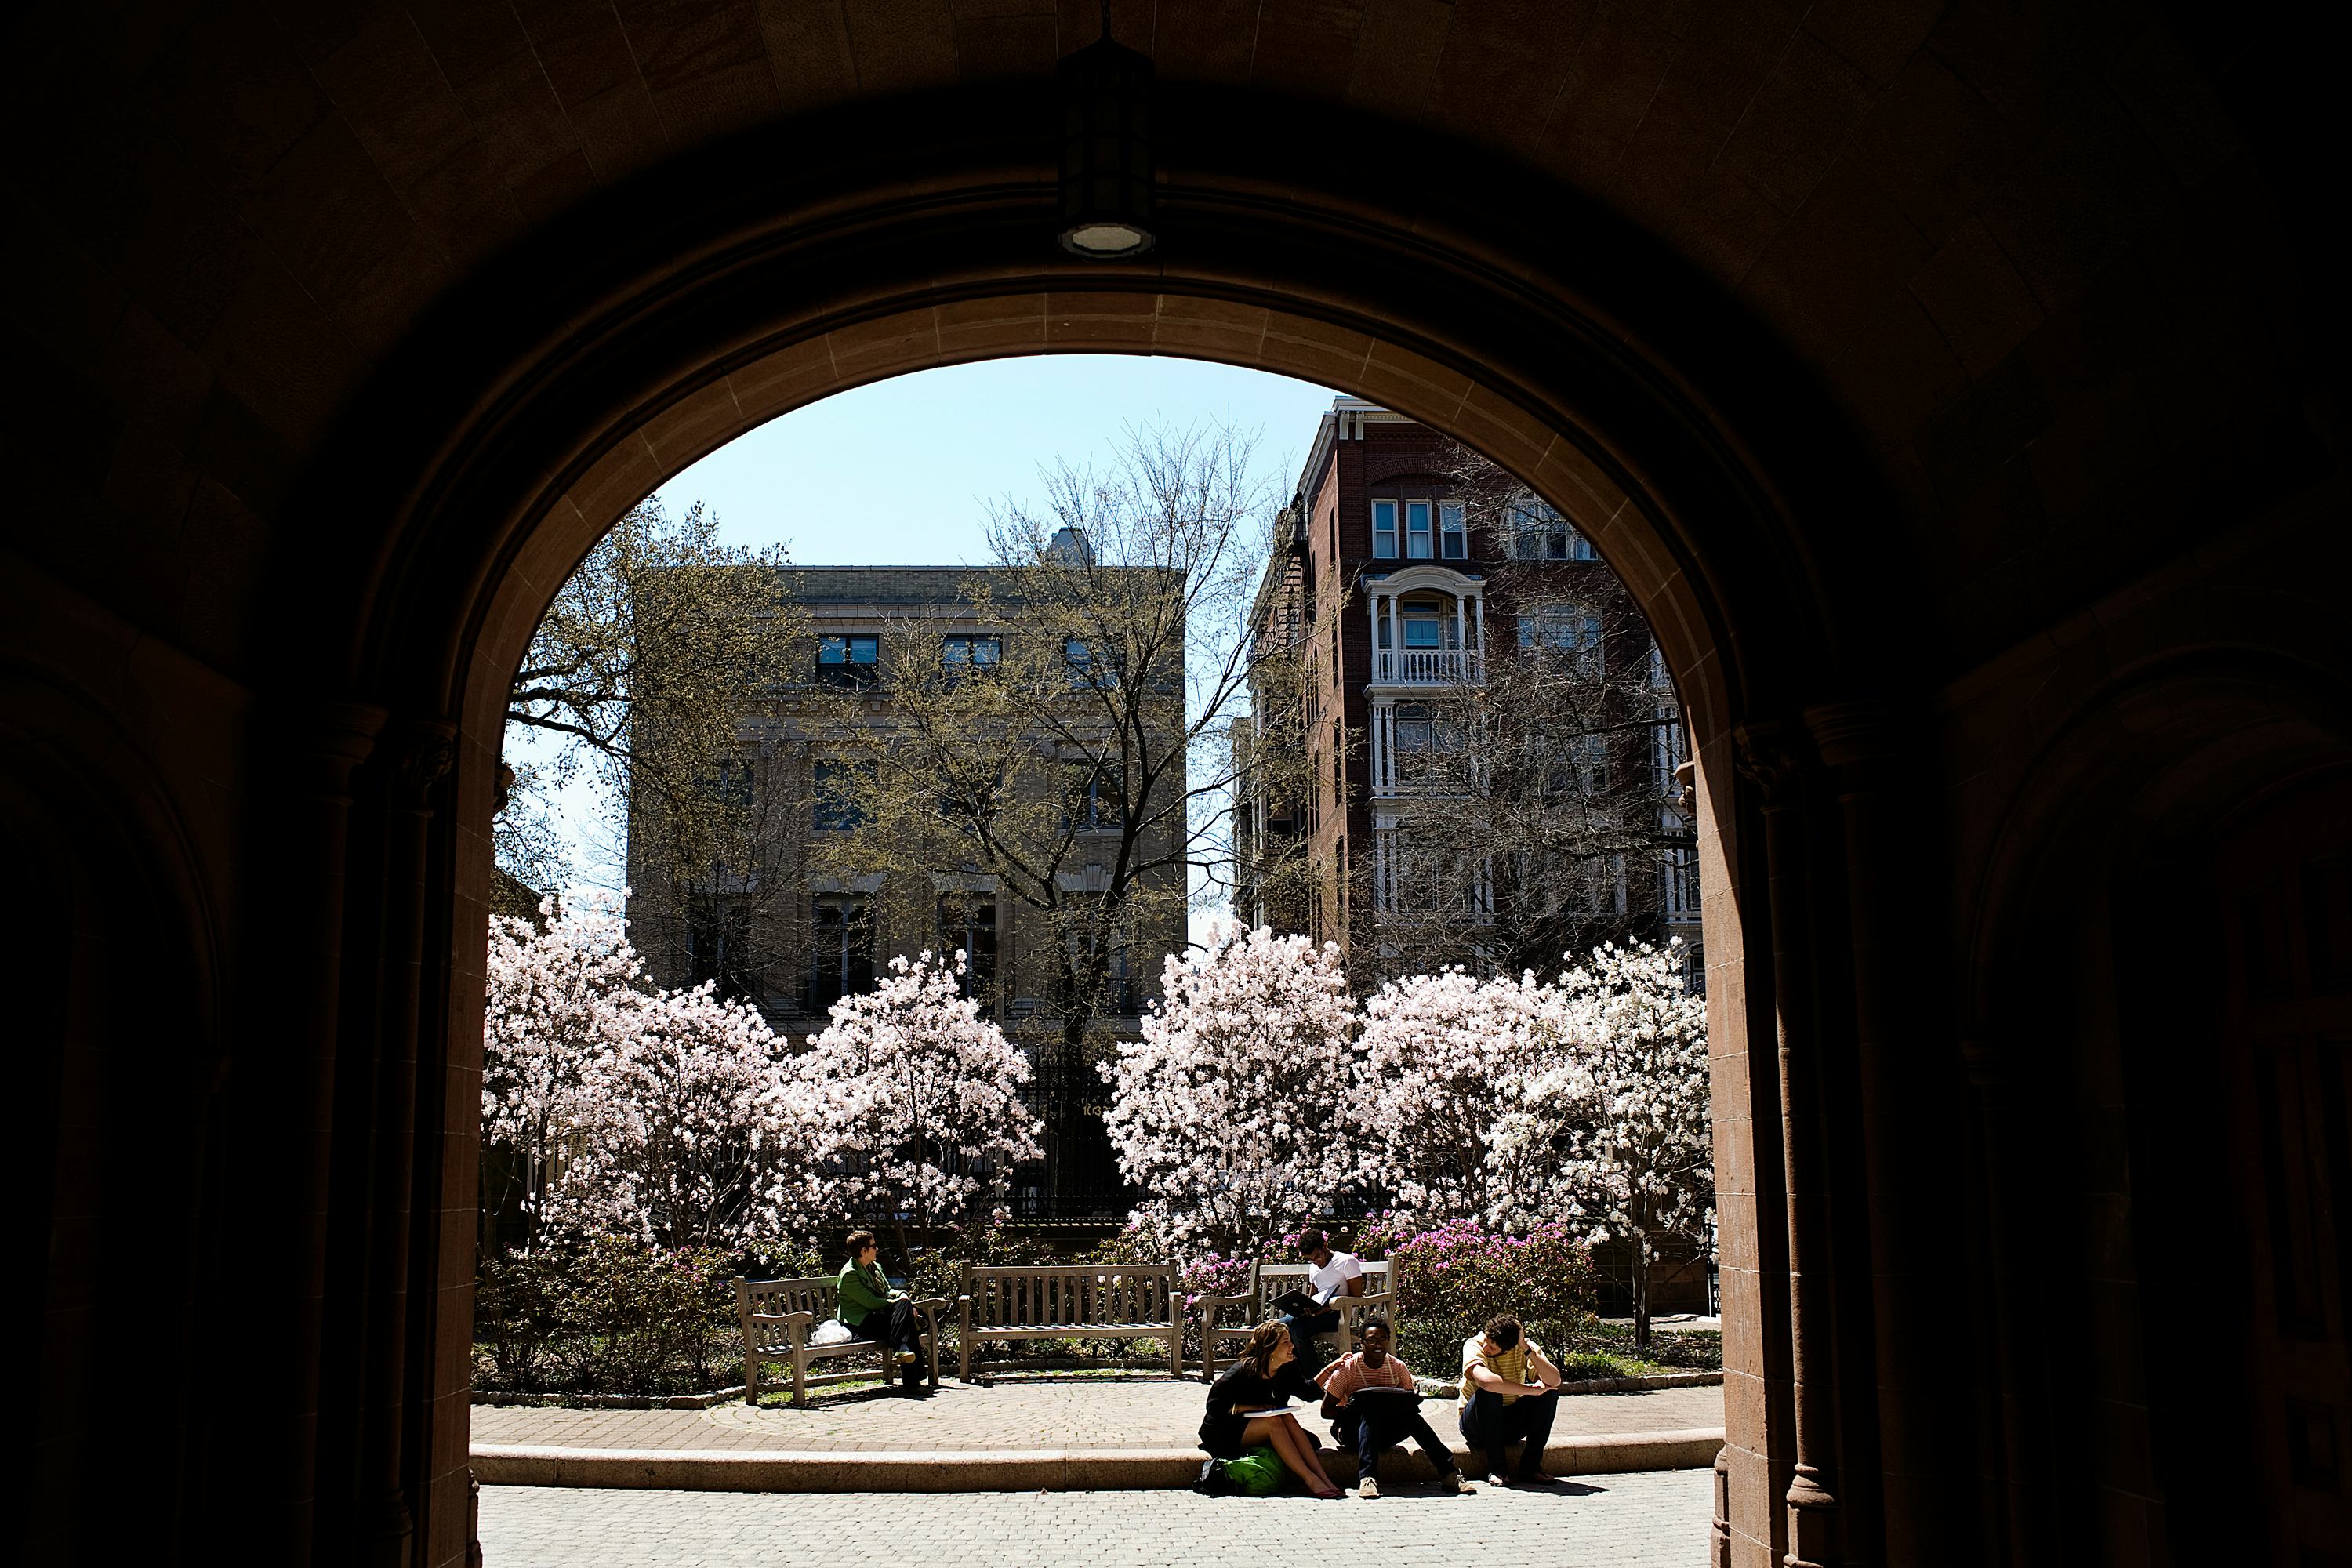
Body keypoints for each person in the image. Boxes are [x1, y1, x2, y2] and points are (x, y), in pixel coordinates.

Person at [1315, 1319, 1477, 1499]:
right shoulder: (1348, 1369)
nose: (1378, 1345)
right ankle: (1367, 1477)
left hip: (1385, 1432)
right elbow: (1326, 1411)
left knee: (1411, 1417)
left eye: (1383, 1340)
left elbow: (1409, 1404)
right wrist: (1354, 1410)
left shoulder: (1398, 1368)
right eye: (1372, 1340)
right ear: (1362, 1343)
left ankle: (1450, 1473)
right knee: (1370, 1411)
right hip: (1351, 1432)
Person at [1201, 1320, 1347, 1498]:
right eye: (1286, 1342)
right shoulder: (1243, 1370)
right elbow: (1214, 1406)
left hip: (1260, 1425)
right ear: (1270, 1348)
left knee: (1289, 1419)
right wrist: (1252, 1408)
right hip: (1224, 1430)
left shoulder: (1287, 1368)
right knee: (1274, 1422)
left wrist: (1330, 1370)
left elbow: (1307, 1391)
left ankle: (1324, 1478)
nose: (1292, 1346)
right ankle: (1311, 1480)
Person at [1457, 1313, 1562, 1486]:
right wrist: (1531, 1390)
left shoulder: (1523, 1348)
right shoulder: (1474, 1344)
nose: (1485, 1347)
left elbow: (1555, 1381)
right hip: (1476, 1425)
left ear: (1508, 1349)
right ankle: (1498, 1469)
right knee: (1489, 1391)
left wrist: (1527, 1349)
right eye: (1486, 1340)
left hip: (1508, 1423)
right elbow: (1486, 1381)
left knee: (1549, 1394)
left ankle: (1531, 1468)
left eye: (1492, 1346)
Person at [835, 1229, 927, 1394]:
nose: (877, 1249)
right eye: (874, 1246)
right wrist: (901, 1304)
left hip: (879, 1317)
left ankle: (903, 1348)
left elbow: (888, 1291)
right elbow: (871, 1302)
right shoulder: (849, 1275)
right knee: (905, 1319)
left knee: (904, 1316)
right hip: (860, 1324)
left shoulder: (874, 1267)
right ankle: (912, 1380)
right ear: (864, 1251)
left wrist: (902, 1295)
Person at [1283, 1229, 1366, 1365]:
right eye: (1310, 1259)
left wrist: (1326, 1309)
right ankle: (1295, 1371)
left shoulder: (1347, 1261)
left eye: (1318, 1257)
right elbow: (1313, 1296)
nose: (1315, 1262)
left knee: (1298, 1330)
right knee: (1280, 1326)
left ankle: (1313, 1375)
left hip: (1339, 1315)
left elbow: (1357, 1298)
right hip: (1318, 1314)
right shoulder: (1313, 1267)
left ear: (1325, 1245)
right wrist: (1307, 1308)